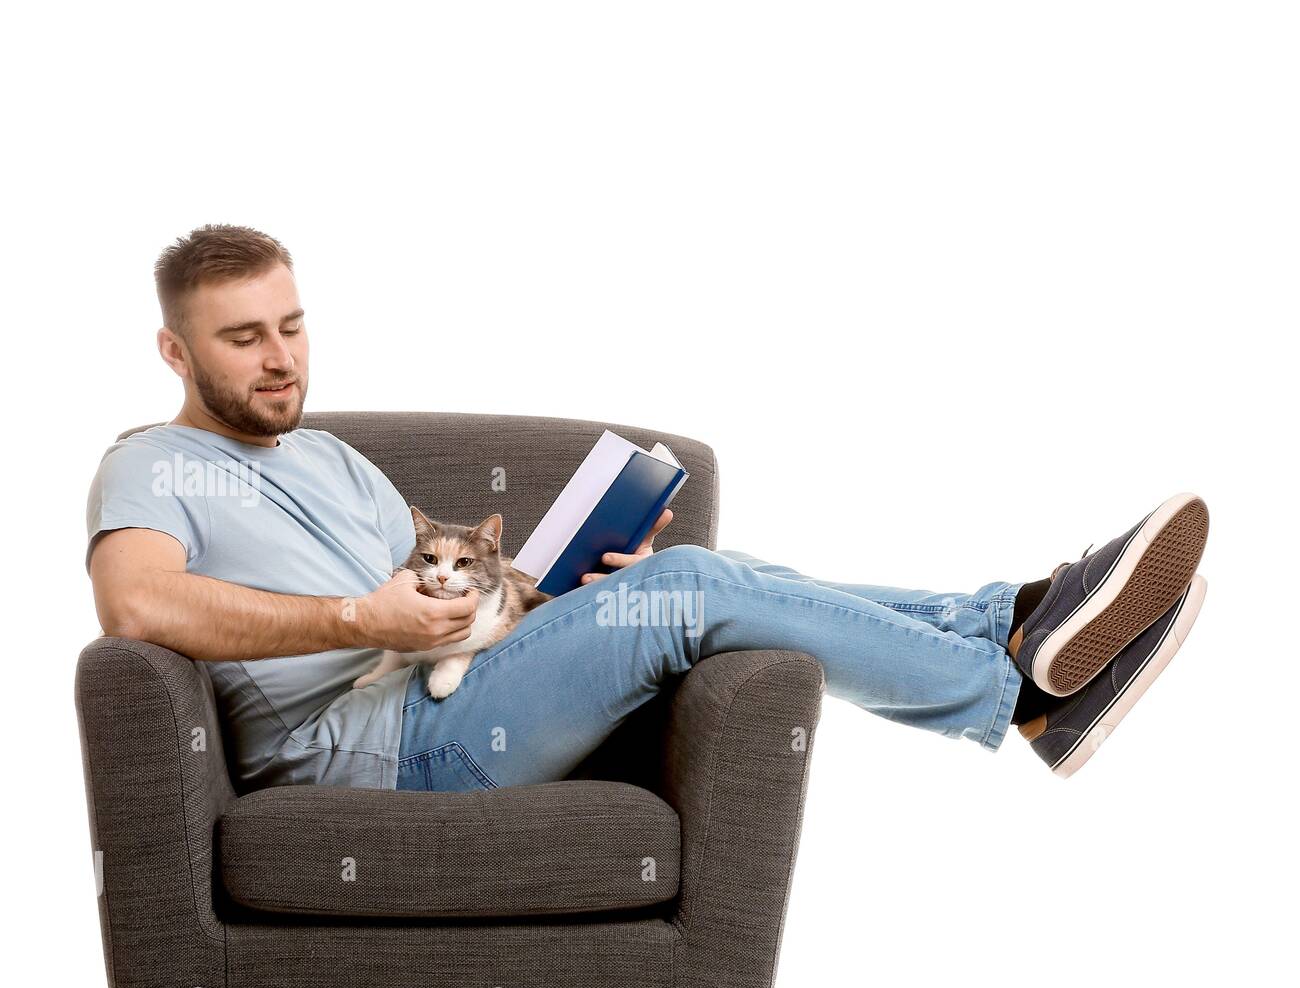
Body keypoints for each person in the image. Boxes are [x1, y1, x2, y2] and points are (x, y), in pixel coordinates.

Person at [86, 225, 1209, 793]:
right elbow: (136, 604)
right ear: (175, 350)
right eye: (244, 338)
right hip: (394, 754)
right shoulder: (154, 465)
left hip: (464, 680)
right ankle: (1011, 689)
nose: (281, 358)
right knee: (694, 588)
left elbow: (455, 608)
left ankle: (1009, 612)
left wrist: (574, 596)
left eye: (291, 324)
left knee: (690, 578)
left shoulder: (331, 455)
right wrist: (353, 622)